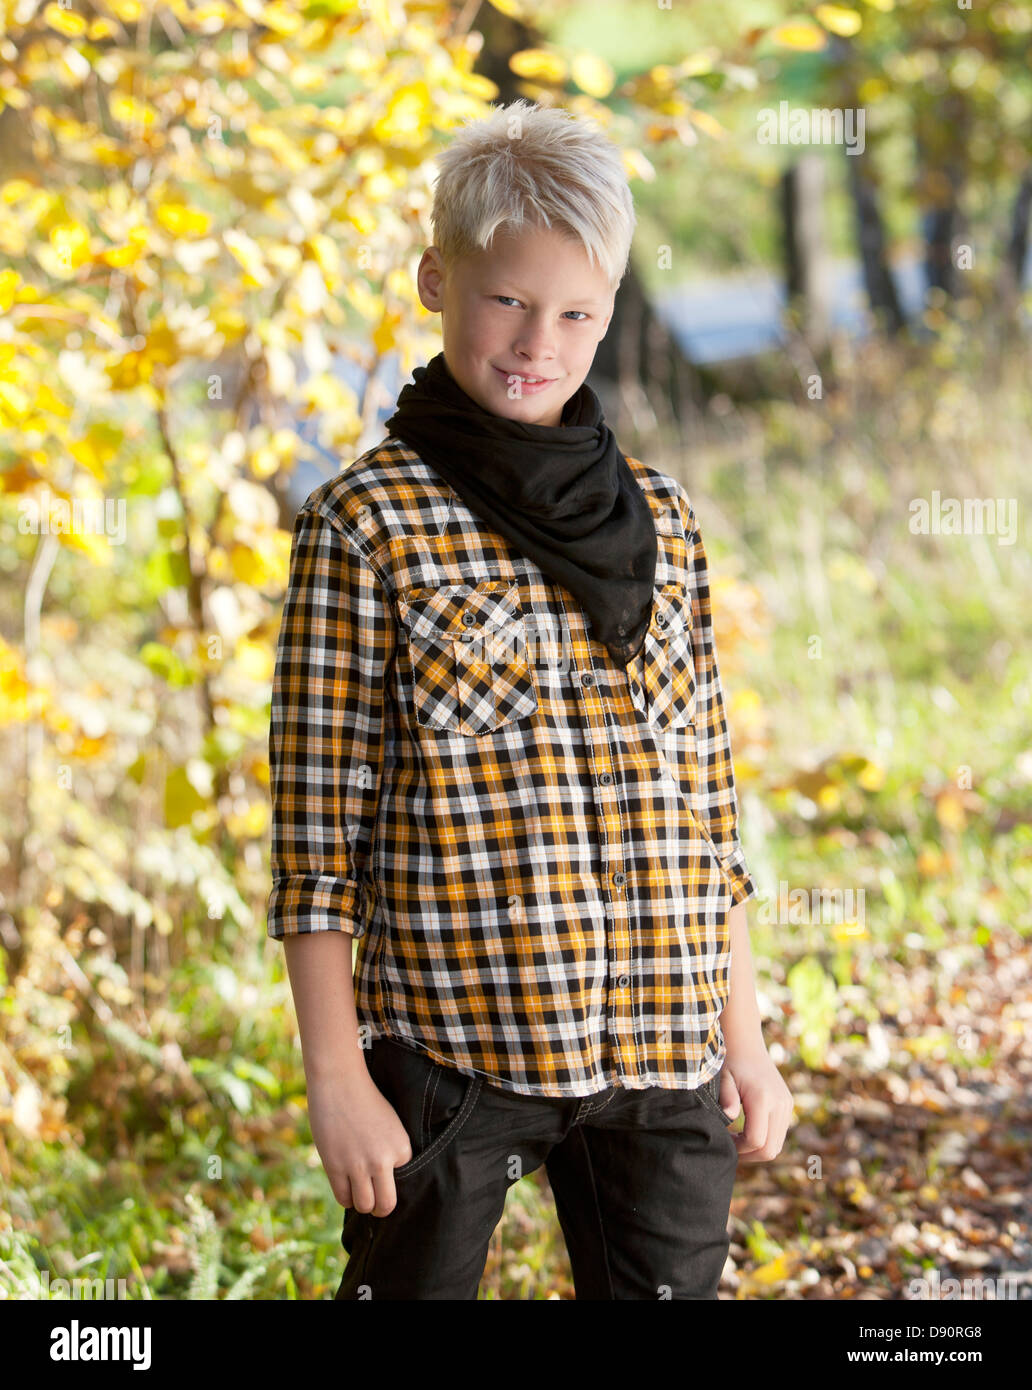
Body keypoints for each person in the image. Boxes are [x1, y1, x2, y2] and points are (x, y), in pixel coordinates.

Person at [267, 99, 793, 1301]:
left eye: (576, 312)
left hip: (662, 1039)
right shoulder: (366, 525)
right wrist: (337, 1075)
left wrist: (745, 1041)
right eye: (506, 300)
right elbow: (313, 842)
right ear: (435, 279)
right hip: (454, 1052)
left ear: (609, 311)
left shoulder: (661, 518)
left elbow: (708, 808)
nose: (536, 341)